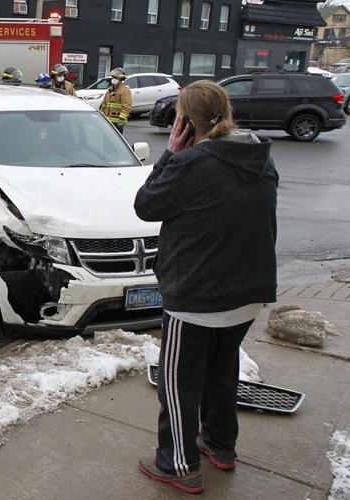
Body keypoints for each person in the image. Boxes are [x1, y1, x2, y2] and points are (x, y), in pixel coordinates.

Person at [134, 80, 278, 495]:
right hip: (248, 293)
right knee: (221, 371)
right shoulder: (260, 156)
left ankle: (177, 465)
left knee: (178, 385)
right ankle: (219, 444)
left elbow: (146, 205)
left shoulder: (191, 163)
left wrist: (170, 155)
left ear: (184, 122)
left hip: (196, 298)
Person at [99, 67, 132, 133]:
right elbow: (104, 105)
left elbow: (126, 106)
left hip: (117, 123)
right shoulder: (109, 90)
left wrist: (121, 120)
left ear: (121, 79)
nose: (113, 79)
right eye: (113, 77)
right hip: (107, 121)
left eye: (116, 77)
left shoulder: (125, 90)